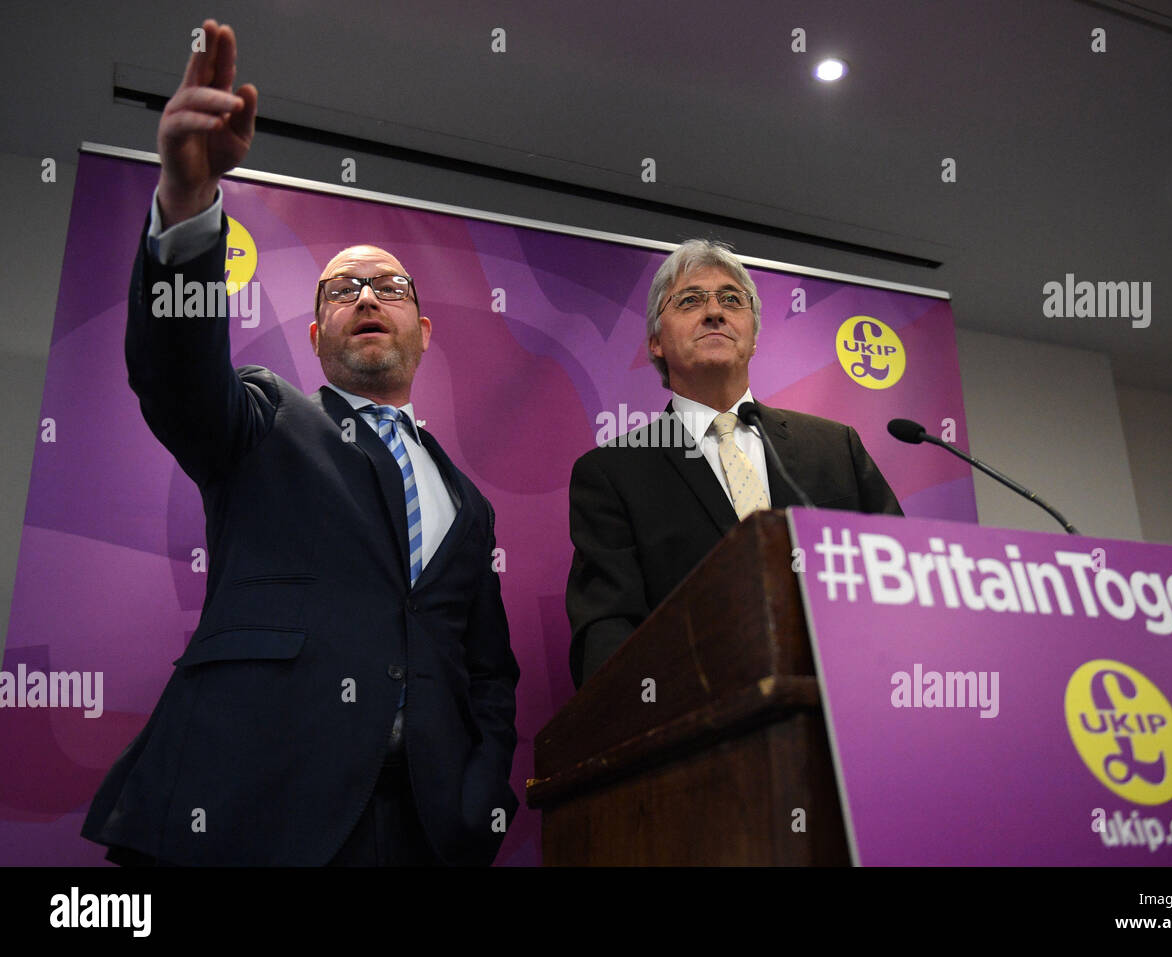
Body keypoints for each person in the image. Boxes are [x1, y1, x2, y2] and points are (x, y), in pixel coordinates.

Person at [81, 20, 518, 866]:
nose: (365, 296)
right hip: (245, 809)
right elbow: (176, 377)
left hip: (420, 833)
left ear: (422, 330)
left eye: (387, 285)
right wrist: (186, 205)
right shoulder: (263, 416)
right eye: (342, 288)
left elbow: (489, 672)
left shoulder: (471, 504)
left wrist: (479, 794)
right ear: (317, 333)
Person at [566, 239, 902, 687]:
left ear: (754, 335)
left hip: (852, 704)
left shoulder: (834, 447)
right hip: (704, 728)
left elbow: (899, 579)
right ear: (656, 343)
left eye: (731, 299)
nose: (714, 312)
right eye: (689, 301)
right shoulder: (613, 475)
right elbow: (609, 633)